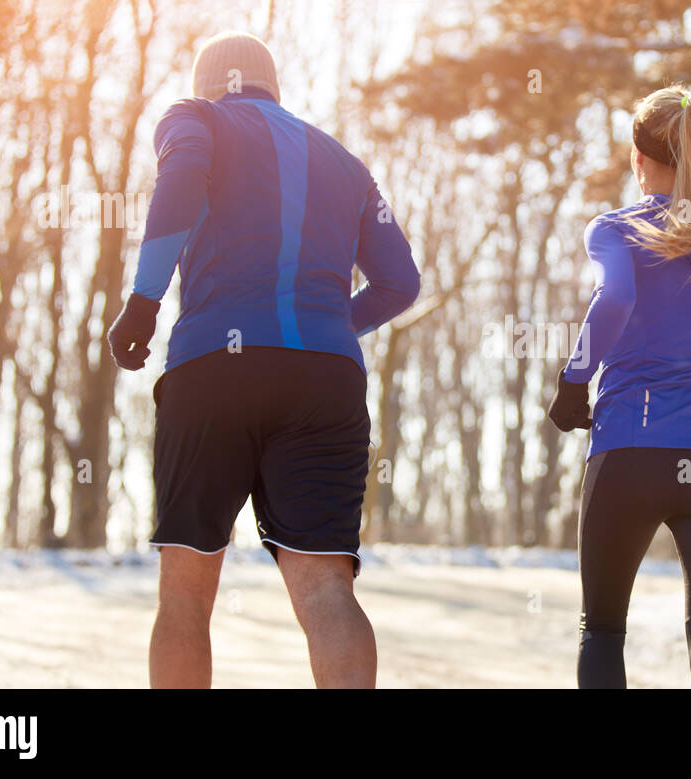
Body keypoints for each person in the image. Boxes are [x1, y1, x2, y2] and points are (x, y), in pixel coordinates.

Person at [107, 31, 420, 689]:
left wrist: (143, 301)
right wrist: (334, 326)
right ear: (273, 87)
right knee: (326, 585)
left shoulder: (194, 117)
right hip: (325, 382)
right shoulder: (346, 163)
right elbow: (402, 283)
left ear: (209, 83)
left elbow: (182, 178)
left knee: (186, 592)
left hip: (213, 370)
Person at [548, 86, 691, 689]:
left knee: (604, 633)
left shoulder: (614, 230)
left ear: (639, 159)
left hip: (628, 456)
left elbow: (616, 297)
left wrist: (573, 380)